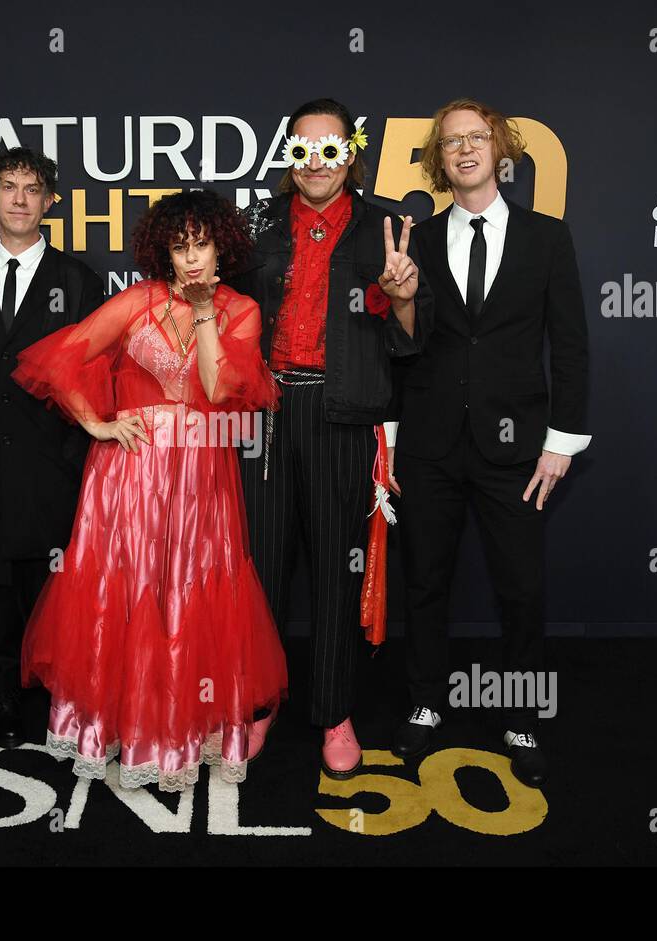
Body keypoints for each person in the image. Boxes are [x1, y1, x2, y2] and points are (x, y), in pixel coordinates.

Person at [10, 190, 286, 791]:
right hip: (128, 477)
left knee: (190, 593)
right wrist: (97, 422)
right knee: (127, 592)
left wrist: (207, 309)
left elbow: (217, 390)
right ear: (164, 250)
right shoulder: (139, 299)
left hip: (202, 481)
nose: (190, 260)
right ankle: (116, 725)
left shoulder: (241, 310)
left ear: (222, 247)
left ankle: (179, 731)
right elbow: (63, 359)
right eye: (179, 247)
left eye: (201, 245)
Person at [390, 99, 591, 788]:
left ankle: (521, 718)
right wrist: (402, 300)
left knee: (522, 590)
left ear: (500, 150)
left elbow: (569, 346)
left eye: (477, 138)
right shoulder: (415, 241)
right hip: (431, 442)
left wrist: (562, 441)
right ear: (439, 162)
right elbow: (406, 348)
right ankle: (423, 703)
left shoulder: (547, 238)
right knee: (423, 584)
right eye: (451, 143)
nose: (465, 150)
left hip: (518, 448)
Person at [228, 98, 431, 778]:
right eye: (303, 149)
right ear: (288, 156)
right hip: (264, 414)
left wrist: (401, 295)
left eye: (330, 149)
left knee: (336, 575)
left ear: (353, 153)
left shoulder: (383, 229)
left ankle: (335, 710)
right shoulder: (255, 224)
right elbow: (218, 313)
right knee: (259, 568)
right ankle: (258, 704)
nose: (316, 163)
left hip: (343, 418)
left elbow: (414, 340)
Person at [0, 147, 104, 749]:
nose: (18, 198)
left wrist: (72, 461)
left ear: (50, 202)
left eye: (31, 189)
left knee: (51, 591)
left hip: (50, 471)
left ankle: (56, 701)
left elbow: (94, 379)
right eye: (7, 186)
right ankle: (0, 698)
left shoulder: (79, 281)